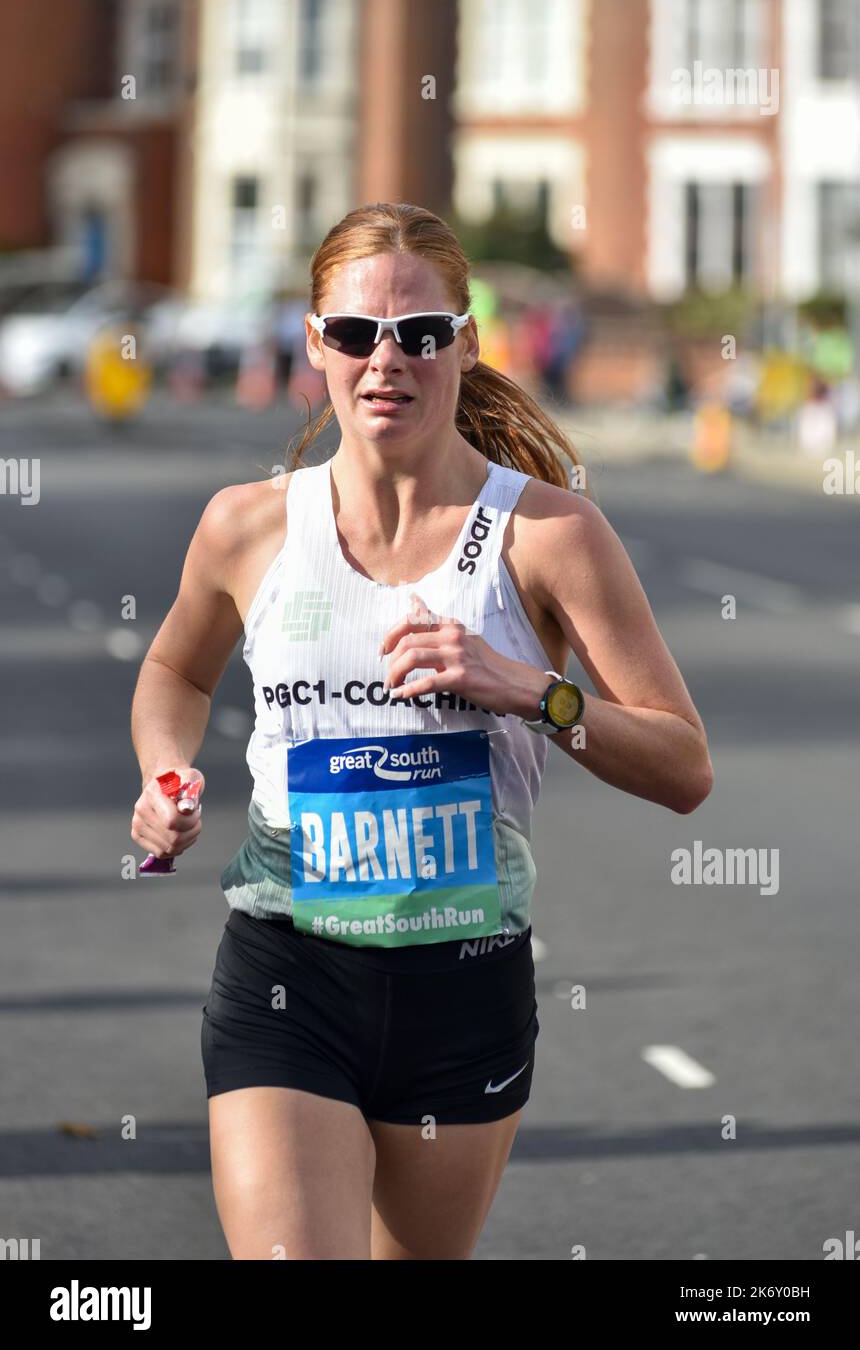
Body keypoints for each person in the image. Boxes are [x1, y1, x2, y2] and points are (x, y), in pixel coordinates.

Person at [129, 201, 713, 1260]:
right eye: (353, 334)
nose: (384, 360)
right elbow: (173, 667)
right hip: (286, 973)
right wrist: (165, 770)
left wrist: (531, 691)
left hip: (463, 989)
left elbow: (682, 765)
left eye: (420, 332)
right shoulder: (248, 526)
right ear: (313, 344)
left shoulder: (548, 535)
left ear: (467, 341)